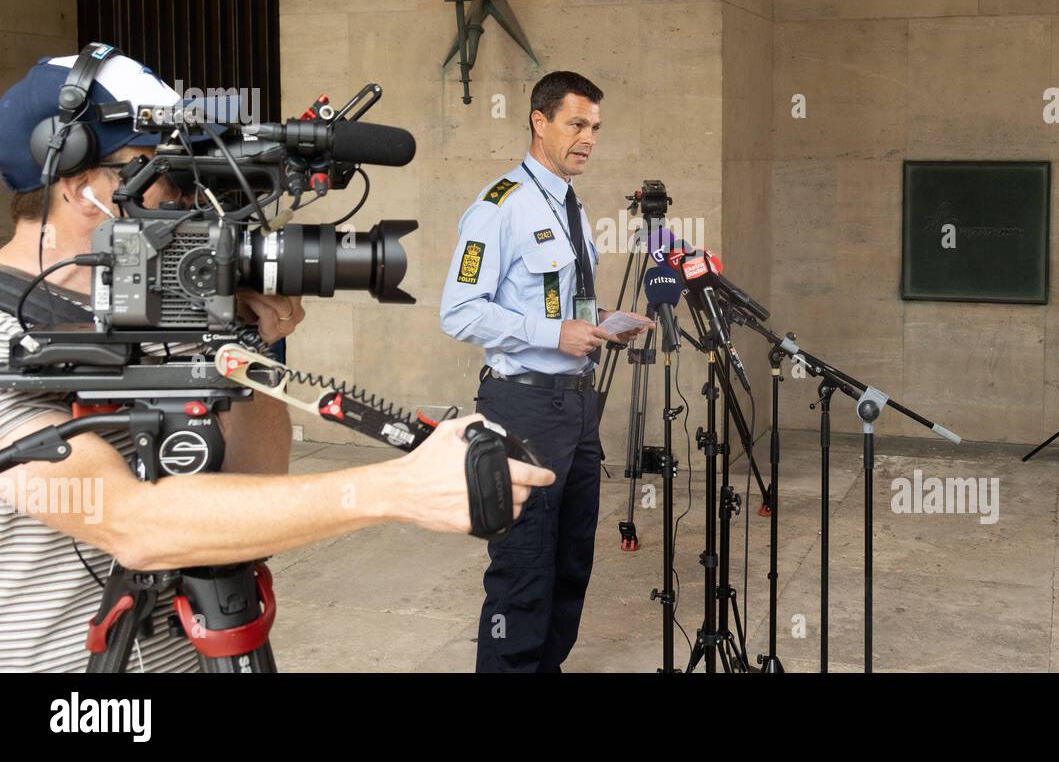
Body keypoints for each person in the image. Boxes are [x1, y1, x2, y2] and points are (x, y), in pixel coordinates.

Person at [0, 50, 554, 672]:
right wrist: (397, 490)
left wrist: (252, 345)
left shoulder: (168, 299)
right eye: (166, 173)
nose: (190, 195)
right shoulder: (6, 330)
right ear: (78, 186)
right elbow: (132, 524)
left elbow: (250, 484)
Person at [441, 70, 650, 672]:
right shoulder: (497, 207)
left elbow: (562, 302)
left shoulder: (572, 209)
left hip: (577, 408)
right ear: (539, 121)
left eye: (596, 128)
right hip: (524, 408)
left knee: (571, 561)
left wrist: (604, 320)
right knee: (524, 566)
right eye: (576, 124)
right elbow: (459, 312)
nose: (588, 138)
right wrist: (553, 334)